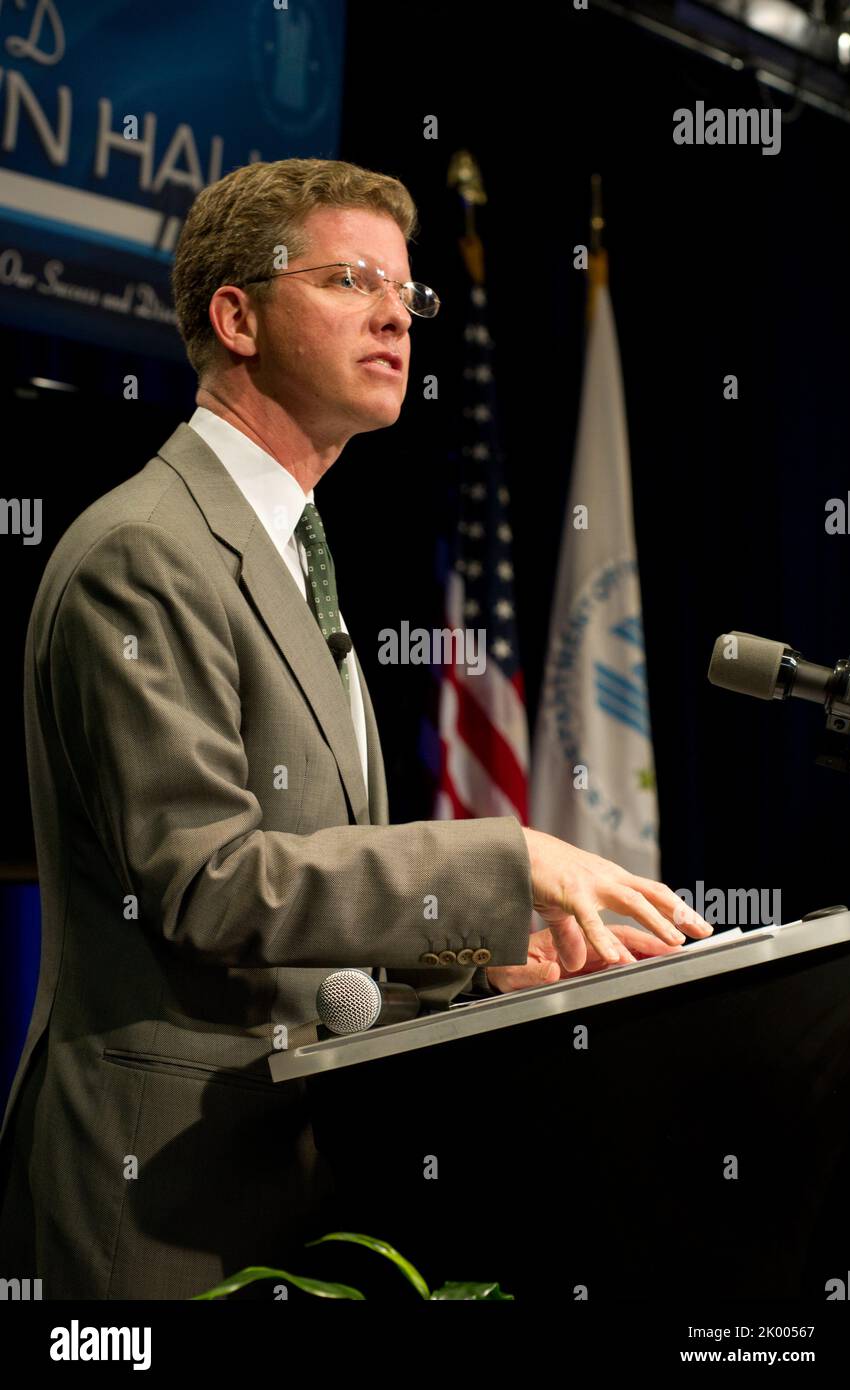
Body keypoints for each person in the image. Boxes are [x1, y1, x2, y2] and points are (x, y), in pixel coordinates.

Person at [0, 157, 711, 1300]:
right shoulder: (145, 554)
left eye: (406, 293)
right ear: (236, 315)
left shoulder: (295, 552)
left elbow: (317, 904)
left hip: (294, 1179)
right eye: (348, 280)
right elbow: (208, 881)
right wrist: (507, 856)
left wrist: (478, 963)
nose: (396, 313)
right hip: (156, 1199)